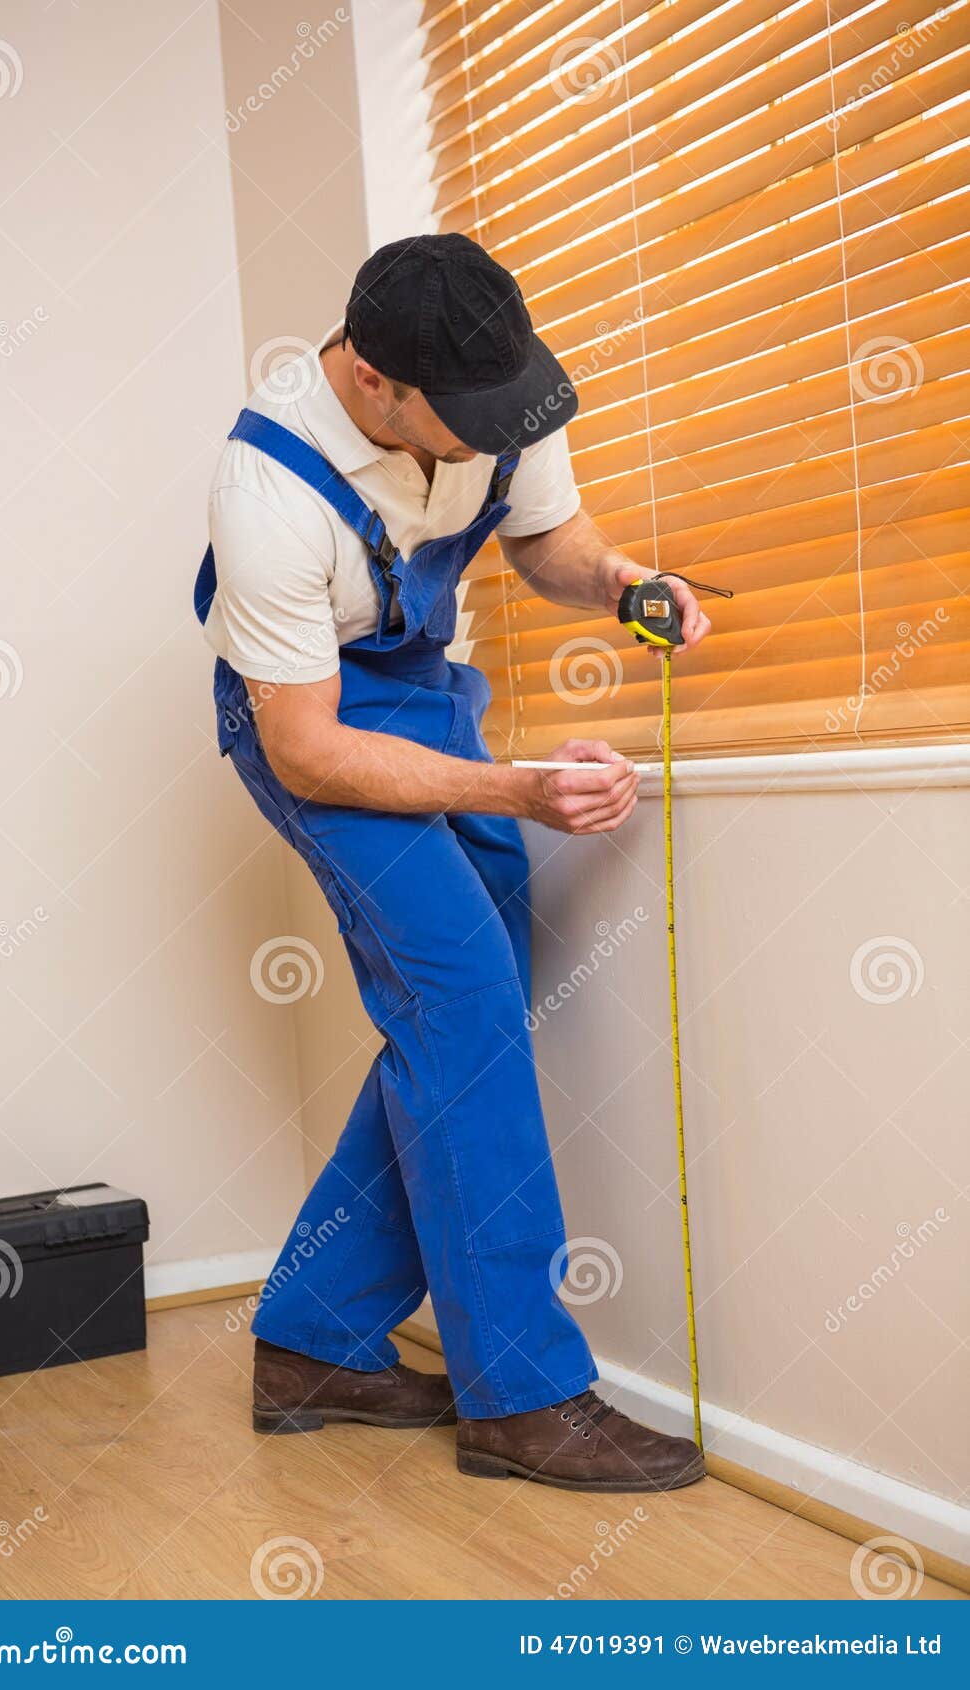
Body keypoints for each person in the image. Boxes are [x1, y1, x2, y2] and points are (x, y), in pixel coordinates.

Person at [195, 233, 710, 1492]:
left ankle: (312, 1343)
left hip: (422, 698)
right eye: (460, 422)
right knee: (466, 1004)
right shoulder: (270, 488)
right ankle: (523, 1398)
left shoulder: (495, 391)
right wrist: (518, 789)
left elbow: (548, 542)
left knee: (461, 1014)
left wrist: (623, 582)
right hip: (312, 726)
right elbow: (311, 752)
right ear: (374, 381)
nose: (491, 442)